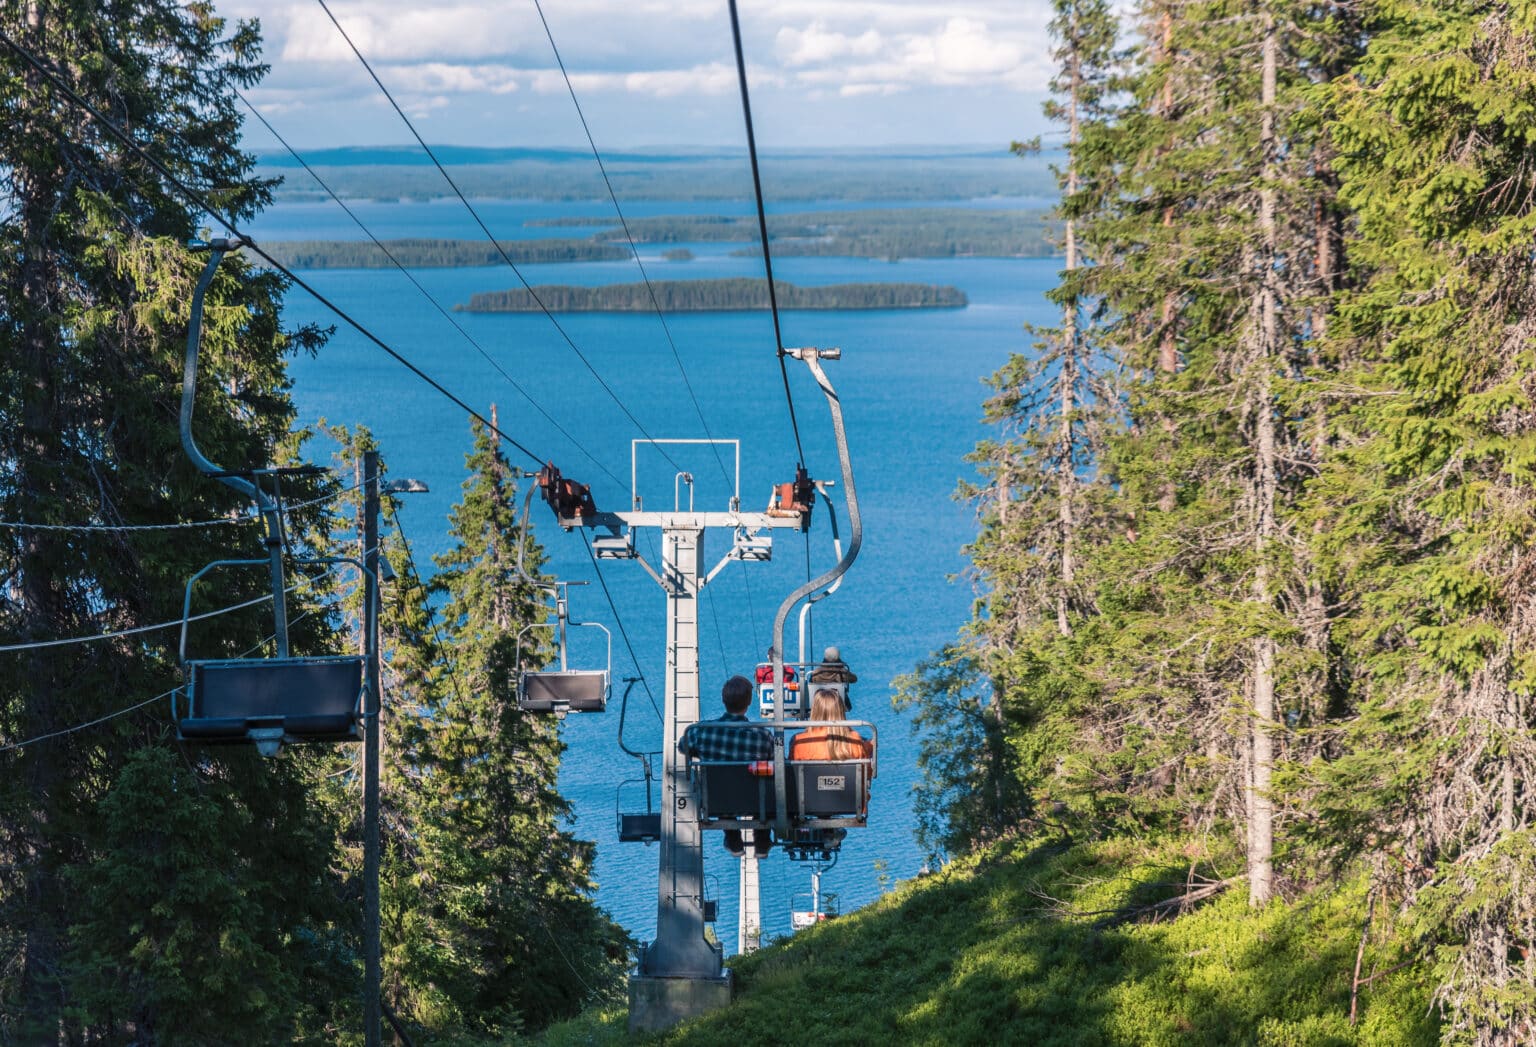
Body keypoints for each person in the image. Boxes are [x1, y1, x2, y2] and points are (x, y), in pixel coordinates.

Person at [679, 675, 774, 858]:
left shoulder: (701, 731)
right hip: (755, 802)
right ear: (749, 702)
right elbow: (774, 763)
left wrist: (704, 752)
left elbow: (683, 747)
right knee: (767, 779)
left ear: (724, 700)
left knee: (722, 788)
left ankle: (732, 837)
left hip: (717, 801)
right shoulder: (763, 735)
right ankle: (762, 838)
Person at [790, 688, 874, 768]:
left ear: (814, 711)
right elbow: (866, 773)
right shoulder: (854, 740)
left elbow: (792, 771)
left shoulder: (800, 742)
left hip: (809, 779)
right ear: (840, 712)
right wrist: (869, 747)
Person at [808, 645, 856, 710]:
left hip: (820, 703)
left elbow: (811, 683)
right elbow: (854, 679)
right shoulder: (842, 672)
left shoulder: (816, 672)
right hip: (838, 703)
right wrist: (841, 665)